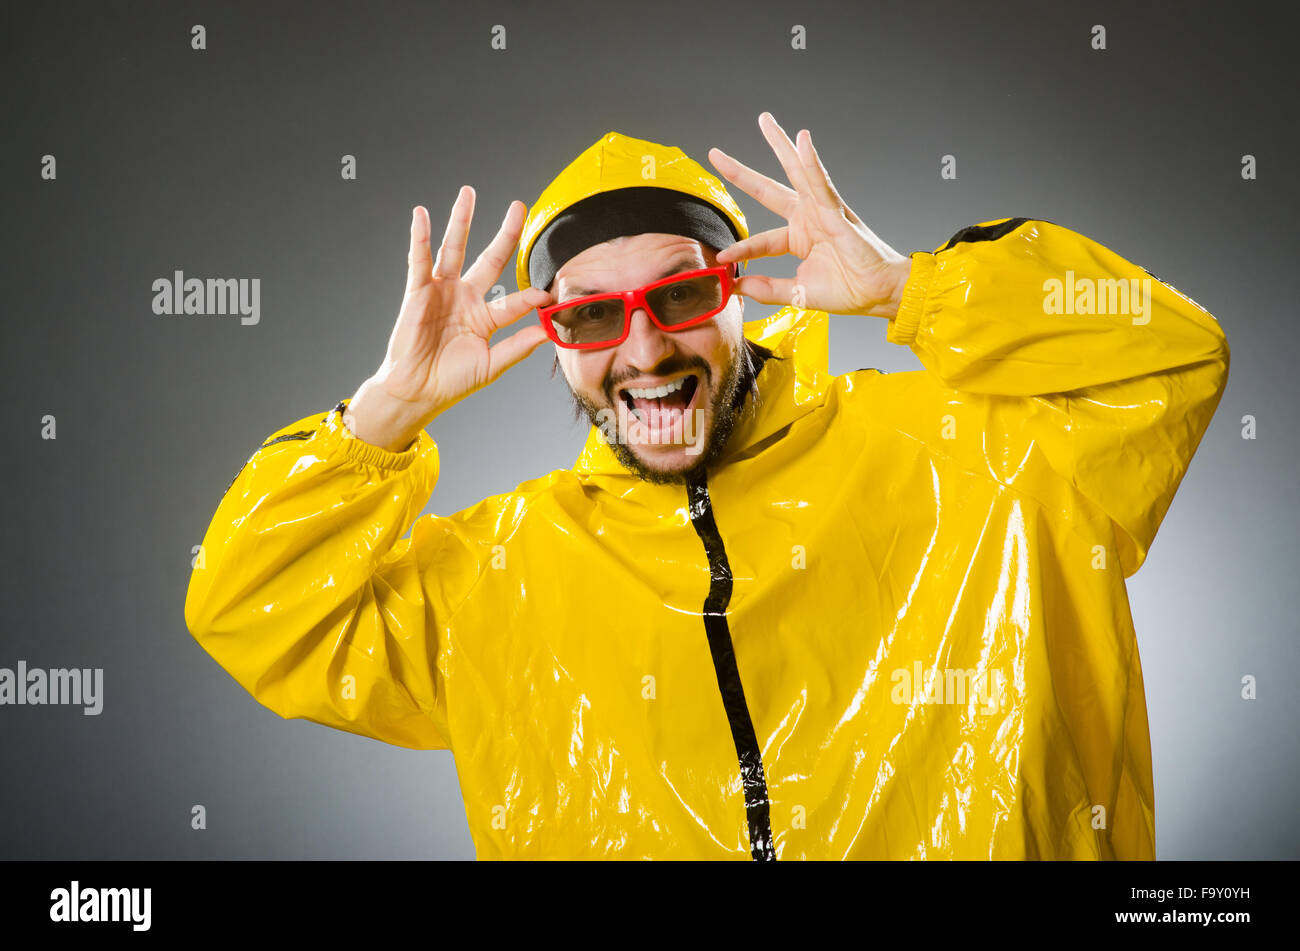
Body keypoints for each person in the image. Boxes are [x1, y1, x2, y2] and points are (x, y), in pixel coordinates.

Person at [185, 112, 1230, 859]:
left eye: (680, 293)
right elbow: (250, 611)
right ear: (551, 341)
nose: (641, 348)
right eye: (590, 314)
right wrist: (382, 416)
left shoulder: (974, 453)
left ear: (741, 296)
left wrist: (914, 288)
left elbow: (1166, 358)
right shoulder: (499, 572)